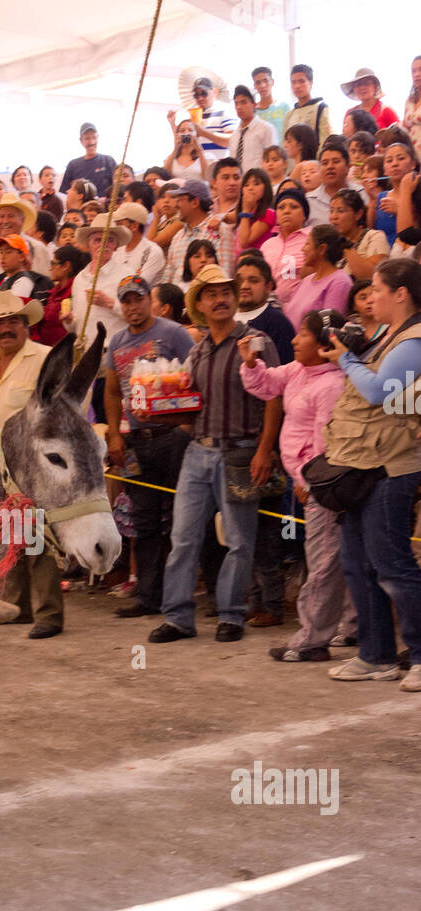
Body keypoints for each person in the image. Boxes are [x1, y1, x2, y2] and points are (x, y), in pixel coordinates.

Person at [149, 265, 281, 644]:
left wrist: (264, 451)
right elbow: (189, 405)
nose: (220, 299)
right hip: (198, 451)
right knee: (184, 537)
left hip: (241, 452)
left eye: (226, 292)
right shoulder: (198, 350)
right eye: (211, 294)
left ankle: (231, 616)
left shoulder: (255, 340)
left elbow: (273, 398)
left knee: (239, 540)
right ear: (199, 305)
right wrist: (156, 410)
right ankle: (177, 619)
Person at [319, 259, 421, 689]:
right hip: (361, 464)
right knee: (358, 563)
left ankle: (419, 655)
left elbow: (382, 392)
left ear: (401, 293)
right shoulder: (388, 336)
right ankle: (375, 655)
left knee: (393, 565)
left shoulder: (414, 341)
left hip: (392, 466)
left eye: (377, 289)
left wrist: (346, 359)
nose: (369, 297)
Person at [238, 311, 347, 660]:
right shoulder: (298, 371)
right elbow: (264, 384)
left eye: (303, 334)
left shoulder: (331, 384)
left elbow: (324, 444)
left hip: (319, 486)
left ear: (323, 343)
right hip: (308, 482)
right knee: (334, 560)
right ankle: (345, 628)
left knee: (323, 563)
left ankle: (312, 640)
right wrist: (251, 363)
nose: (295, 340)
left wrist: (305, 480)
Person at [0, 291, 63, 639]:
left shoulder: (44, 359)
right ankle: (16, 606)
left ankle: (50, 614)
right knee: (9, 536)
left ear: (26, 326)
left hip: (30, 460)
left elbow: (58, 407)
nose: (5, 328)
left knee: (39, 536)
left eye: (13, 321)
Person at [104, 274, 193, 618]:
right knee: (144, 520)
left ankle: (180, 595)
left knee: (178, 518)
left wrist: (186, 425)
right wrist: (114, 434)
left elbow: (194, 373)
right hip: (137, 440)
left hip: (172, 437)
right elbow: (112, 391)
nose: (132, 306)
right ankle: (148, 597)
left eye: (138, 299)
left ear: (149, 300)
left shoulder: (173, 333)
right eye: (126, 301)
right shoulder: (117, 342)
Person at [70, 215, 130, 349]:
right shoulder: (80, 278)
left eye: (110, 240)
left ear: (116, 246)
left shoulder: (126, 276)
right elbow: (75, 324)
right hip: (83, 351)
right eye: (98, 240)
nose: (104, 245)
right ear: (88, 245)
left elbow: (138, 314)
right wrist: (69, 321)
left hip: (113, 351)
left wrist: (109, 303)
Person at [284, 224, 353, 331]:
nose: (303, 249)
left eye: (307, 244)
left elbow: (330, 329)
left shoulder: (340, 282)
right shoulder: (306, 280)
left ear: (322, 249)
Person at [261, 185, 312, 313]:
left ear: (304, 215)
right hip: (267, 311)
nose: (287, 211)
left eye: (294, 207)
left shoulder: (312, 239)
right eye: (281, 207)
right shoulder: (267, 245)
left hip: (301, 311)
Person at [235, 253, 295, 362]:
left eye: (253, 280)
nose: (244, 286)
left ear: (268, 287)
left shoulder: (279, 323)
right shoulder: (225, 317)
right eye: (240, 281)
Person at [328, 189, 389, 281]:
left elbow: (371, 276)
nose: (333, 217)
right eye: (331, 211)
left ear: (358, 214)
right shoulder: (330, 242)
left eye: (340, 211)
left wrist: (346, 246)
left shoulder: (374, 236)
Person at [36, 244, 88, 348]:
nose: (50, 269)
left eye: (53, 264)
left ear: (66, 266)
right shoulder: (55, 291)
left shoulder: (76, 291)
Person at [371, 140, 419, 247]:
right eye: (389, 160)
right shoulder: (381, 197)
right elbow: (372, 232)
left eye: (401, 158)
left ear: (412, 165)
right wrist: (371, 201)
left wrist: (399, 211)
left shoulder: (417, 195)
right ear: (384, 170)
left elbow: (413, 236)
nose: (395, 164)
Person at [304, 137, 356, 226]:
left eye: (336, 162)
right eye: (325, 163)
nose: (330, 166)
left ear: (348, 167)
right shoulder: (308, 201)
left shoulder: (362, 193)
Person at [59, 123, 118, 199]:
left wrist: (106, 200)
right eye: (87, 138)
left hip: (105, 208)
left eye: (94, 137)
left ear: (98, 138)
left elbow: (118, 188)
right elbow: (64, 194)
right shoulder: (73, 165)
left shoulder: (108, 161)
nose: (91, 142)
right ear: (81, 140)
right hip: (81, 209)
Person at [112, 202, 165, 283]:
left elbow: (137, 286)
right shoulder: (117, 250)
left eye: (119, 224)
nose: (115, 228)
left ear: (134, 226)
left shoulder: (152, 251)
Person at [283, 64, 332, 151]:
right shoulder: (289, 115)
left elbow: (326, 142)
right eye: (293, 82)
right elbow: (285, 146)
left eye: (301, 81)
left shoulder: (321, 108)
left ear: (311, 82)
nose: (297, 86)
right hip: (292, 163)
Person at [228, 85, 276, 174]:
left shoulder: (266, 129)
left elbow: (273, 162)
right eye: (236, 103)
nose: (239, 107)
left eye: (243, 102)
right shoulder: (235, 134)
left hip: (259, 182)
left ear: (254, 104)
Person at [190, 76, 235, 167]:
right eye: (196, 95)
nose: (200, 98)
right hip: (199, 167)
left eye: (204, 93)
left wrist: (203, 133)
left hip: (220, 167)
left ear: (214, 92)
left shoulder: (225, 111)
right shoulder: (195, 115)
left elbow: (232, 140)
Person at [235, 168, 276, 254]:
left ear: (266, 188)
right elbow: (228, 217)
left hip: (257, 262)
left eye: (256, 184)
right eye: (246, 185)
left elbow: (244, 242)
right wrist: (219, 218)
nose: (250, 188)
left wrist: (246, 210)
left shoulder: (269, 213)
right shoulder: (243, 212)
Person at [163, 115, 208, 182]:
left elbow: (207, 178)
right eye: (182, 130)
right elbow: (165, 177)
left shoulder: (207, 156)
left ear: (197, 134)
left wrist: (199, 150)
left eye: (190, 130)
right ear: (177, 135)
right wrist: (175, 148)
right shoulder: (171, 158)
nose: (186, 133)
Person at [252, 66, 291, 140]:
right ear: (255, 86)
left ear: (272, 82)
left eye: (265, 81)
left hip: (282, 151)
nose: (262, 85)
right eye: (258, 82)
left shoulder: (285, 107)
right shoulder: (252, 111)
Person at [404, 54, 421, 161]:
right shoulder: (409, 100)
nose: (417, 74)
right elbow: (405, 128)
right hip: (411, 156)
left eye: (420, 70)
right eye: (413, 71)